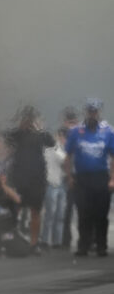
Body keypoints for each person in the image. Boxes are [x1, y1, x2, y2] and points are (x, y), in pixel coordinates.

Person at [64, 98, 114, 257]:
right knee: (84, 213)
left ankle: (101, 246)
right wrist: (69, 177)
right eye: (90, 111)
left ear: (98, 112)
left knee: (101, 214)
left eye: (95, 111)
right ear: (86, 112)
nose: (92, 114)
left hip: (101, 177)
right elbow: (68, 156)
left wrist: (112, 179)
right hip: (82, 178)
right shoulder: (76, 131)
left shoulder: (108, 131)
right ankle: (83, 246)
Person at [4, 106, 54, 254]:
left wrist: (39, 128)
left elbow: (51, 142)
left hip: (36, 180)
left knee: (35, 212)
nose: (28, 121)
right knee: (14, 211)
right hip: (18, 179)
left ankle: (33, 243)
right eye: (26, 118)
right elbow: (4, 139)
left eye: (31, 119)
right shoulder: (16, 134)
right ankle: (8, 241)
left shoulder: (41, 135)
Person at [39, 127, 68, 248]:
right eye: (62, 136)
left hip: (62, 183)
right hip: (52, 184)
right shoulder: (53, 149)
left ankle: (56, 241)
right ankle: (46, 240)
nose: (64, 139)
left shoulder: (62, 149)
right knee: (51, 214)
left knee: (59, 214)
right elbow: (65, 161)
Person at [61, 107, 79, 248]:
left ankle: (87, 238)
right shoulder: (62, 137)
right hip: (66, 177)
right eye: (69, 122)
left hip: (80, 176)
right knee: (66, 210)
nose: (71, 125)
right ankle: (65, 238)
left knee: (84, 209)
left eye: (74, 122)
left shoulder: (81, 135)